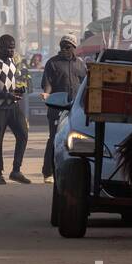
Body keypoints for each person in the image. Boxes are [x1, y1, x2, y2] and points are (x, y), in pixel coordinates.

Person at [0, 34, 31, 184]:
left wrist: (17, 90)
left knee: (23, 134)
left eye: (13, 47)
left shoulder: (12, 62)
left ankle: (16, 170)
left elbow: (9, 82)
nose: (12, 51)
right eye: (9, 48)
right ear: (1, 47)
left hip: (12, 106)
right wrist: (6, 94)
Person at [40, 34, 88, 179]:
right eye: (62, 46)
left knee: (77, 139)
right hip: (57, 107)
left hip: (76, 110)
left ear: (74, 48)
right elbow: (47, 83)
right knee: (54, 138)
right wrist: (46, 94)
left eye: (67, 47)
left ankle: (76, 173)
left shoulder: (81, 64)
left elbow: (86, 84)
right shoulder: (52, 63)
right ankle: (47, 172)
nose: (64, 50)